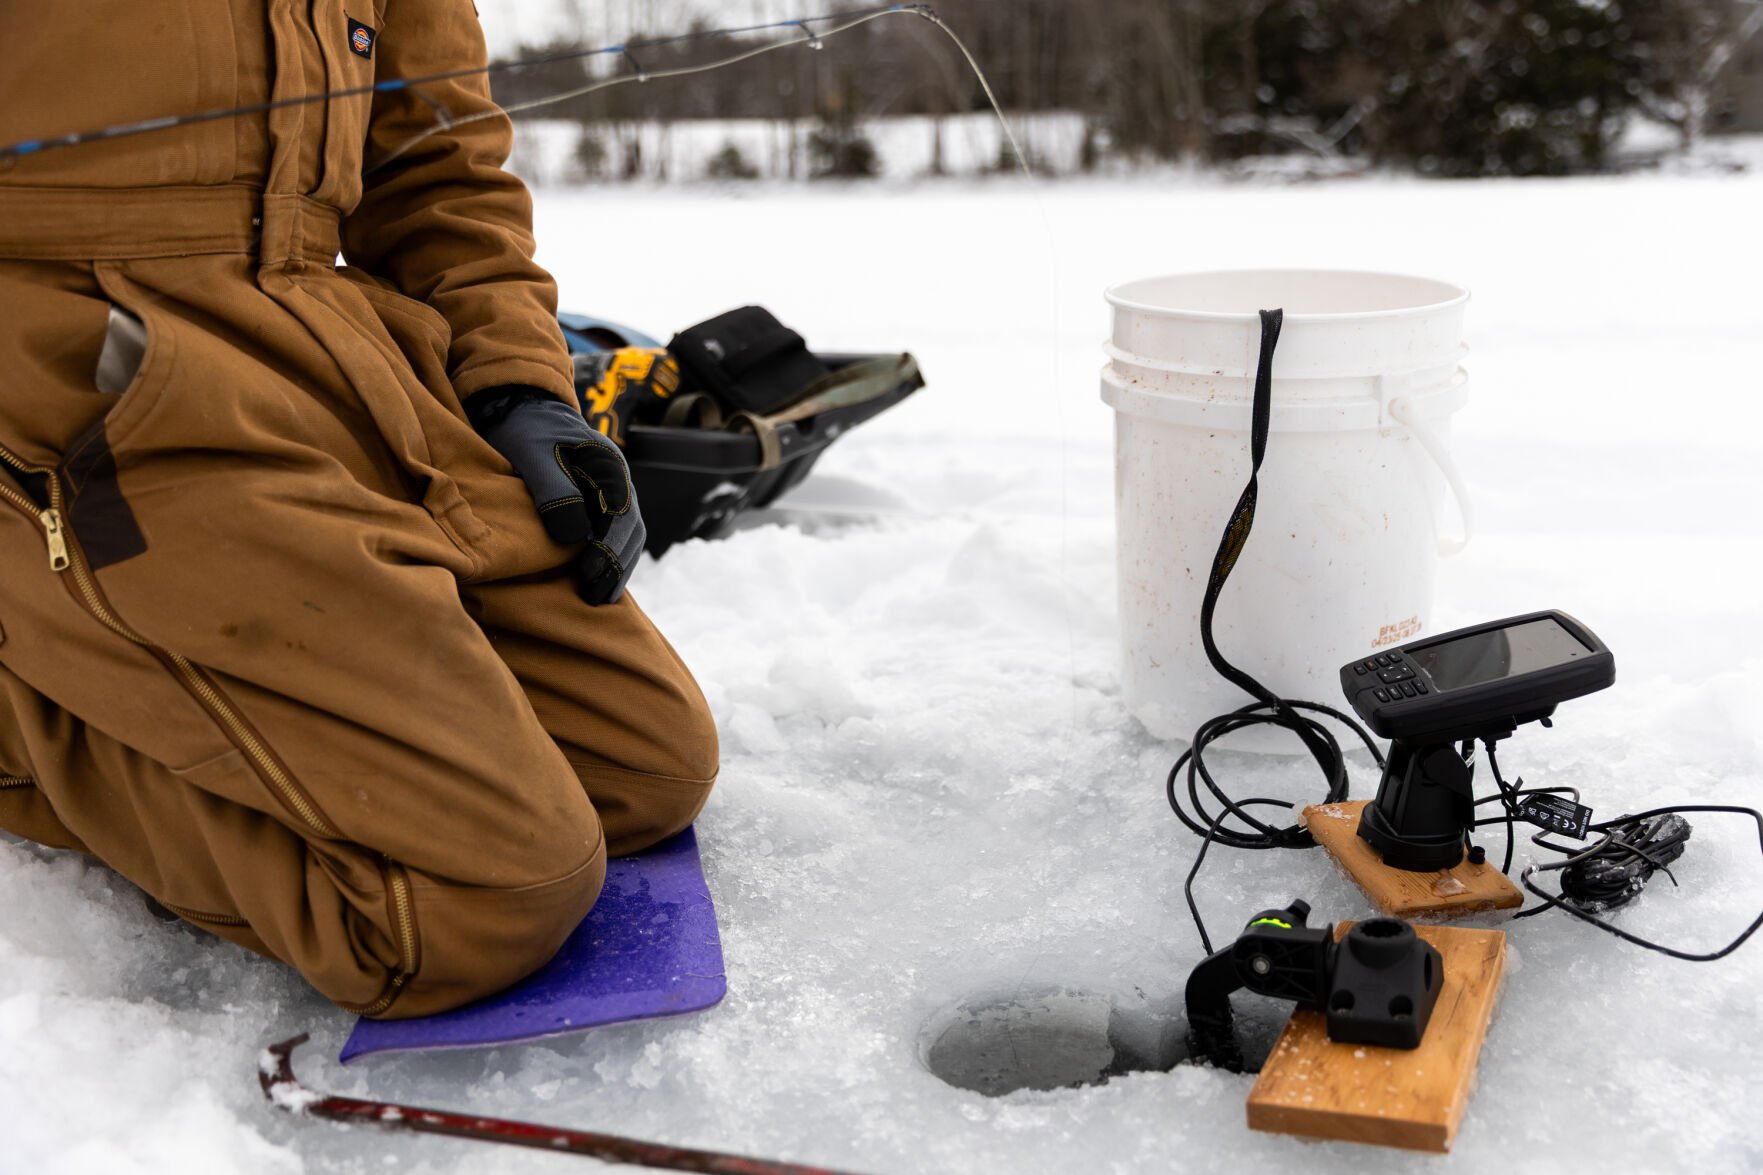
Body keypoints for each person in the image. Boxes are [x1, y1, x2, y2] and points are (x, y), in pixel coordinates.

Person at [0, 2, 718, 1017]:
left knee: (640, 765)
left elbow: (440, 170)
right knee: (473, 895)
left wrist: (517, 385)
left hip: (326, 355)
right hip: (67, 364)